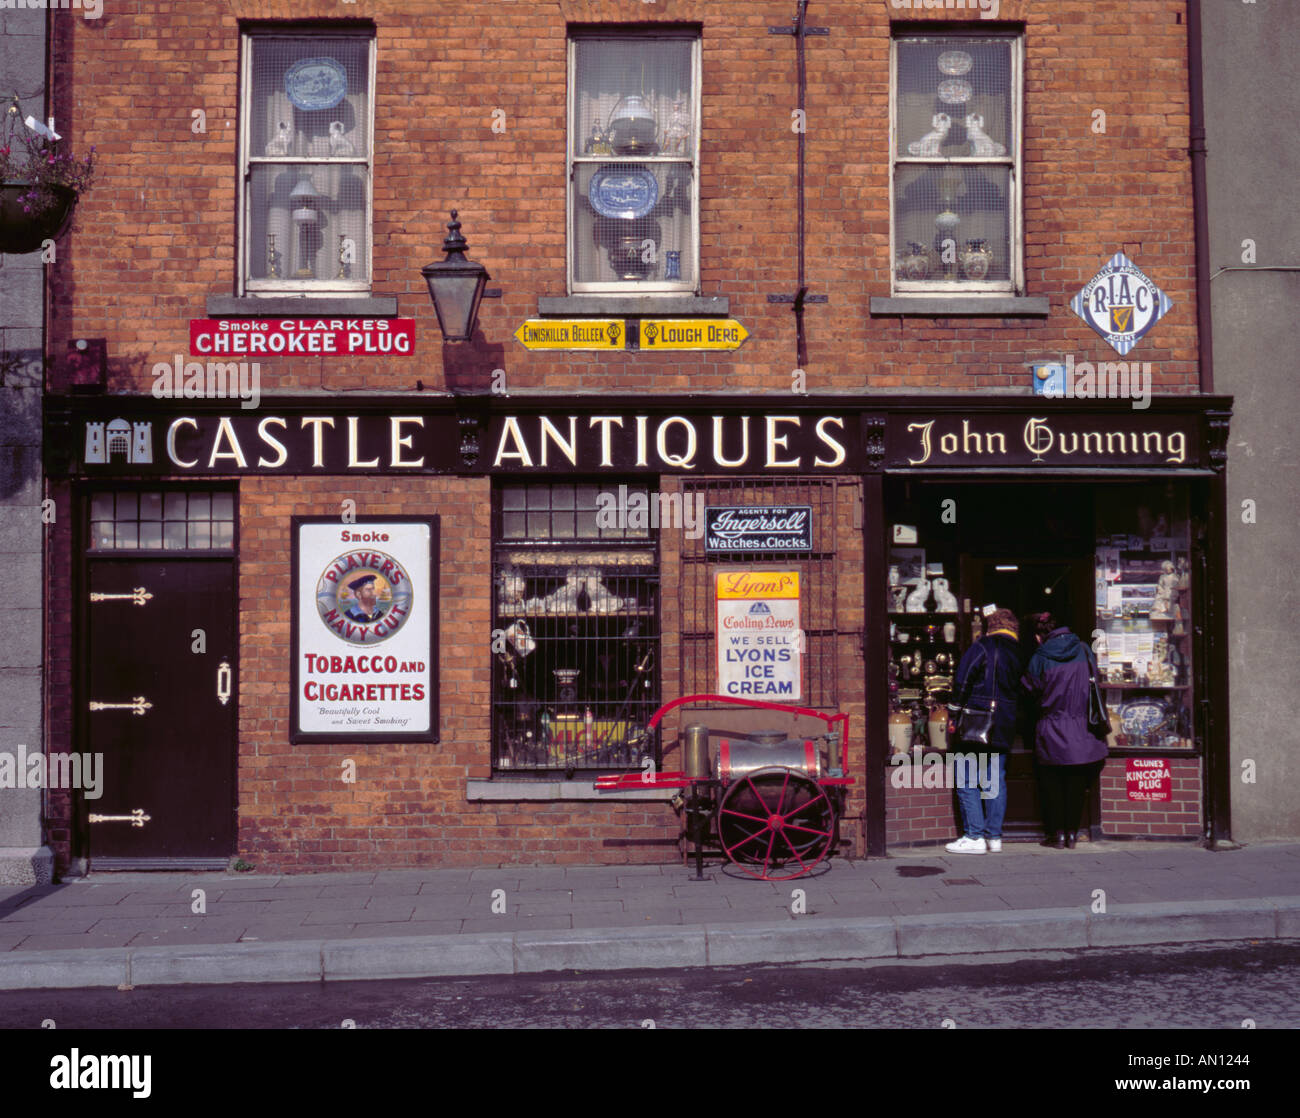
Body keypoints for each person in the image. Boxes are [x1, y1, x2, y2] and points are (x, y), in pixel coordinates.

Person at [1021, 612, 1108, 849]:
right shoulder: (1083, 649)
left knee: (1051, 784)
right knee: (1076, 783)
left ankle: (1056, 834)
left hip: (1051, 724)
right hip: (1082, 726)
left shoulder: (1040, 656)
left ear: (1039, 636)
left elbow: (1030, 689)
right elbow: (1095, 681)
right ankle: (1072, 833)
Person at [944, 608, 1023, 854]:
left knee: (967, 779)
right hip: (1005, 722)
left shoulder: (982, 646)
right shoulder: (1020, 652)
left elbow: (963, 680)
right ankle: (994, 837)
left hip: (978, 719)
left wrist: (954, 712)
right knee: (995, 780)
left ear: (991, 625)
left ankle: (974, 836)